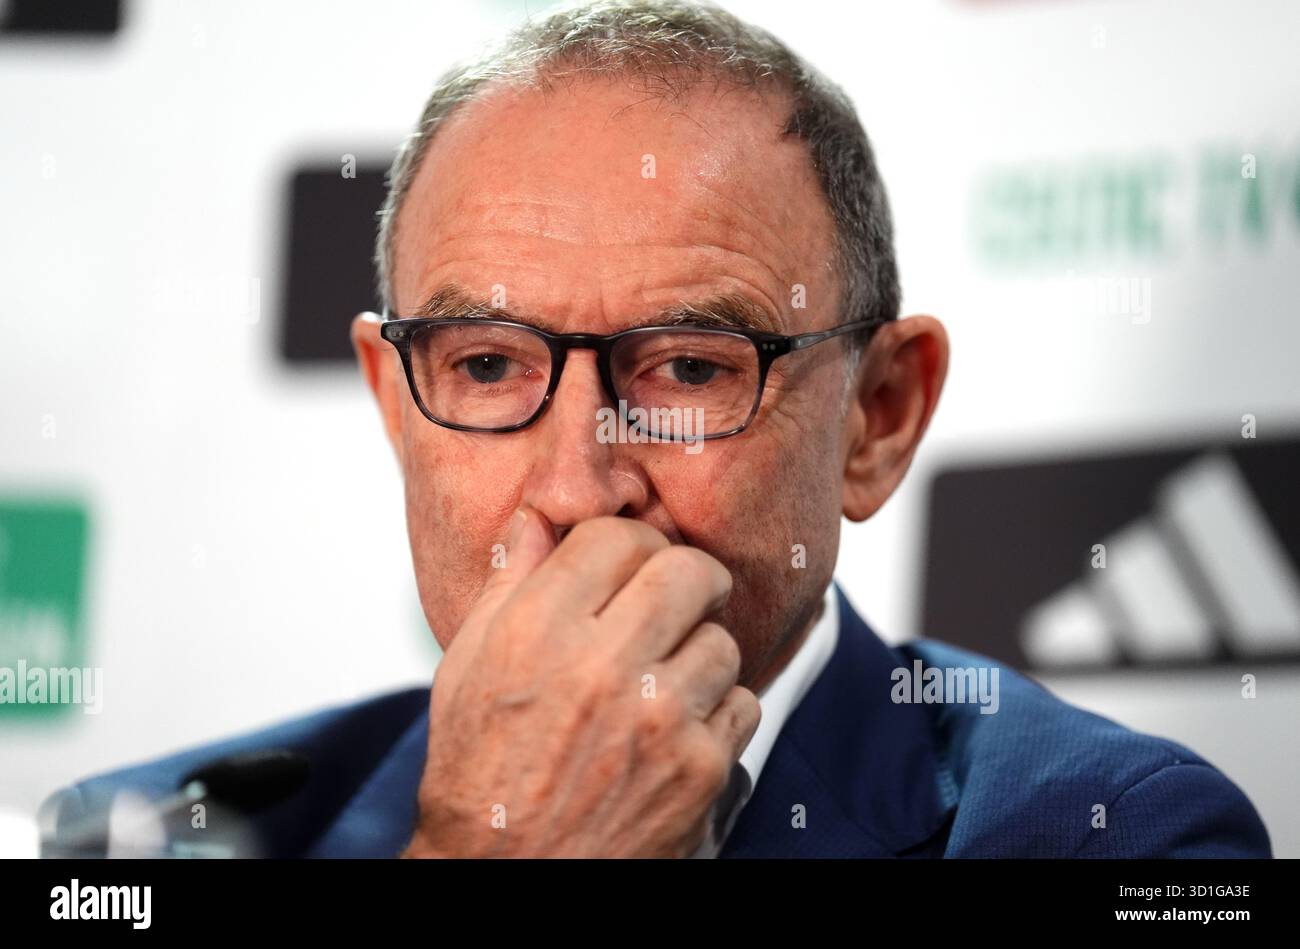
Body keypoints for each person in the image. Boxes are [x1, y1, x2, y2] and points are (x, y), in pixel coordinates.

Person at [40, 0, 1270, 859]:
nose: (576, 487)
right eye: (483, 363)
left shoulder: (1118, 835)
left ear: (876, 420)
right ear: (391, 401)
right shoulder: (152, 834)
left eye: (687, 365)